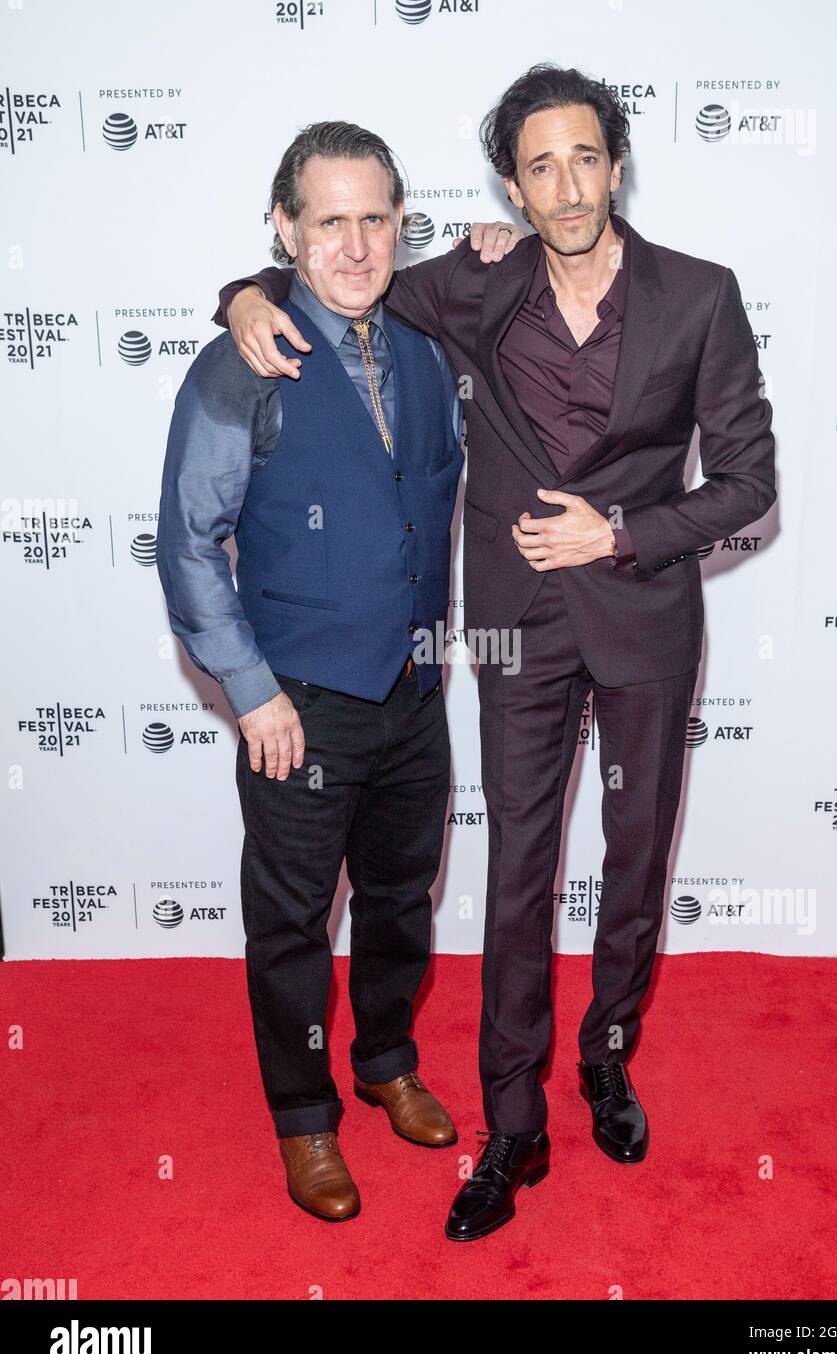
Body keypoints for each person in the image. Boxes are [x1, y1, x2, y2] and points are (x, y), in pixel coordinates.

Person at [213, 65, 777, 1242]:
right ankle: (510, 1123)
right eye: (538, 166)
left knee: (633, 867)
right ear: (510, 188)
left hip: (648, 622)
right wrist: (244, 292)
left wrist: (618, 529)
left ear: (617, 165)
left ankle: (607, 1057)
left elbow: (748, 484)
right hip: (519, 625)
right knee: (517, 871)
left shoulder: (700, 297)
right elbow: (338, 272)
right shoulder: (473, 288)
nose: (565, 186)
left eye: (584, 158)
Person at [156, 120, 518, 1223]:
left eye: (375, 220)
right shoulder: (241, 360)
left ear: (399, 224)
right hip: (299, 705)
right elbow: (185, 540)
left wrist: (499, 244)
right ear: (285, 229)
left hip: (414, 689)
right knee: (294, 923)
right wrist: (250, 688)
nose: (356, 246)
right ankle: (306, 1117)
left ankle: (387, 1059)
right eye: (329, 222)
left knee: (403, 898)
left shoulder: (419, 346)